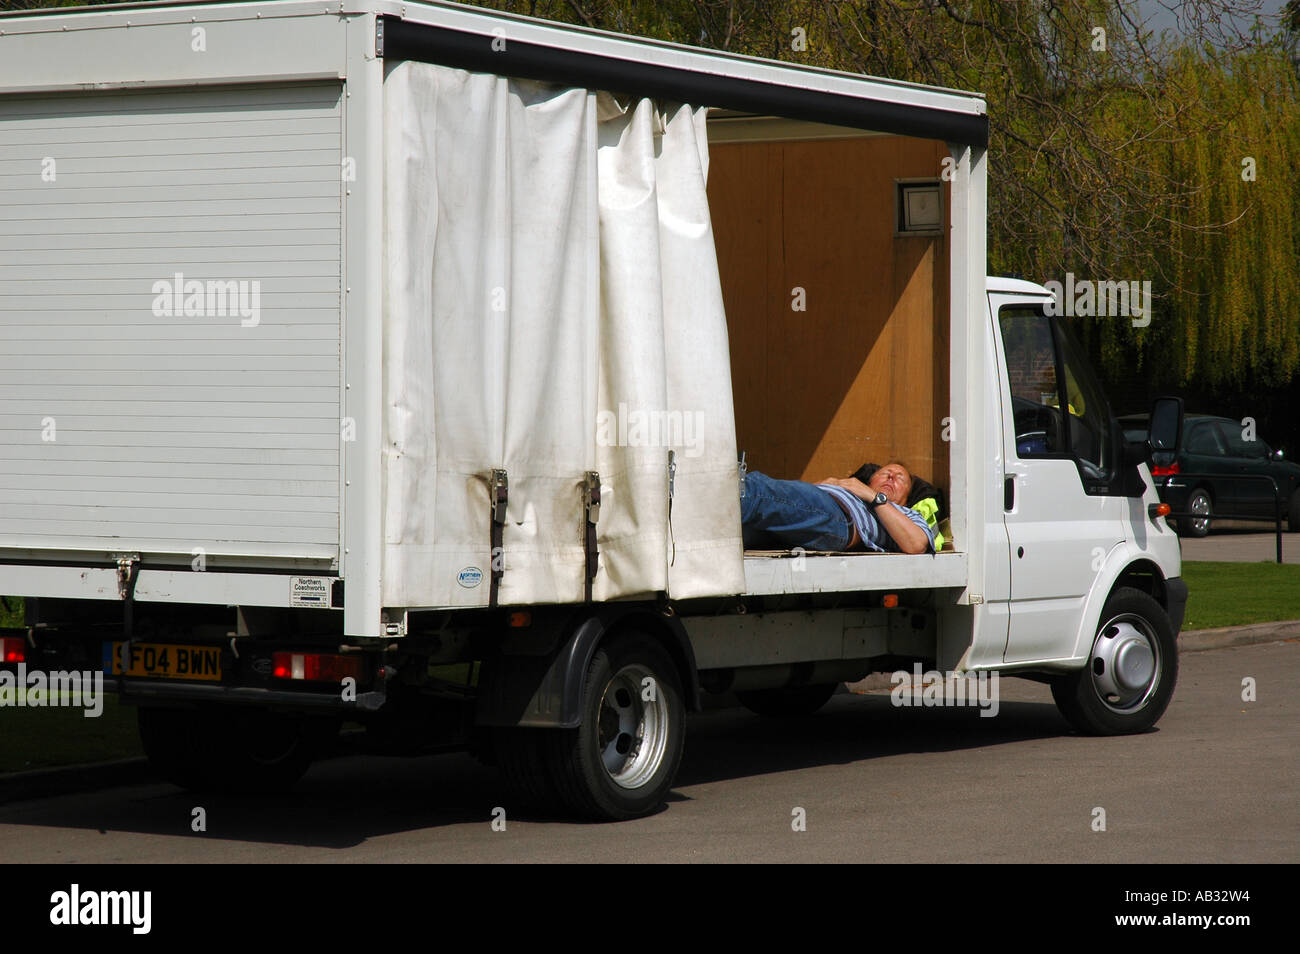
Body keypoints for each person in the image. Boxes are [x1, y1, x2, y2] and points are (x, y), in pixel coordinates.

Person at [740, 461, 936, 554]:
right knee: (741, 529)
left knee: (759, 492)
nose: (891, 477)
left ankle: (732, 488)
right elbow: (790, 501)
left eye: (900, 478)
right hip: (819, 508)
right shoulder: (849, 488)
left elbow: (916, 545)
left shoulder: (907, 514)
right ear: (870, 479)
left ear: (906, 498)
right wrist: (822, 486)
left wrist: (873, 497)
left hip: (841, 518)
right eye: (885, 473)